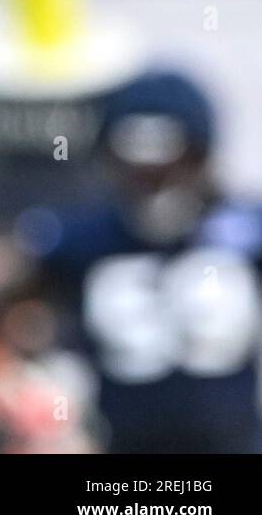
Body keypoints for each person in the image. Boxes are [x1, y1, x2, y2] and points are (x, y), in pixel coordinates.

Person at [15, 69, 262, 452]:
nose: (153, 184)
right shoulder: (76, 240)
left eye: (168, 166)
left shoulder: (244, 231)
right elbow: (2, 302)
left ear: (200, 159)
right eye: (139, 169)